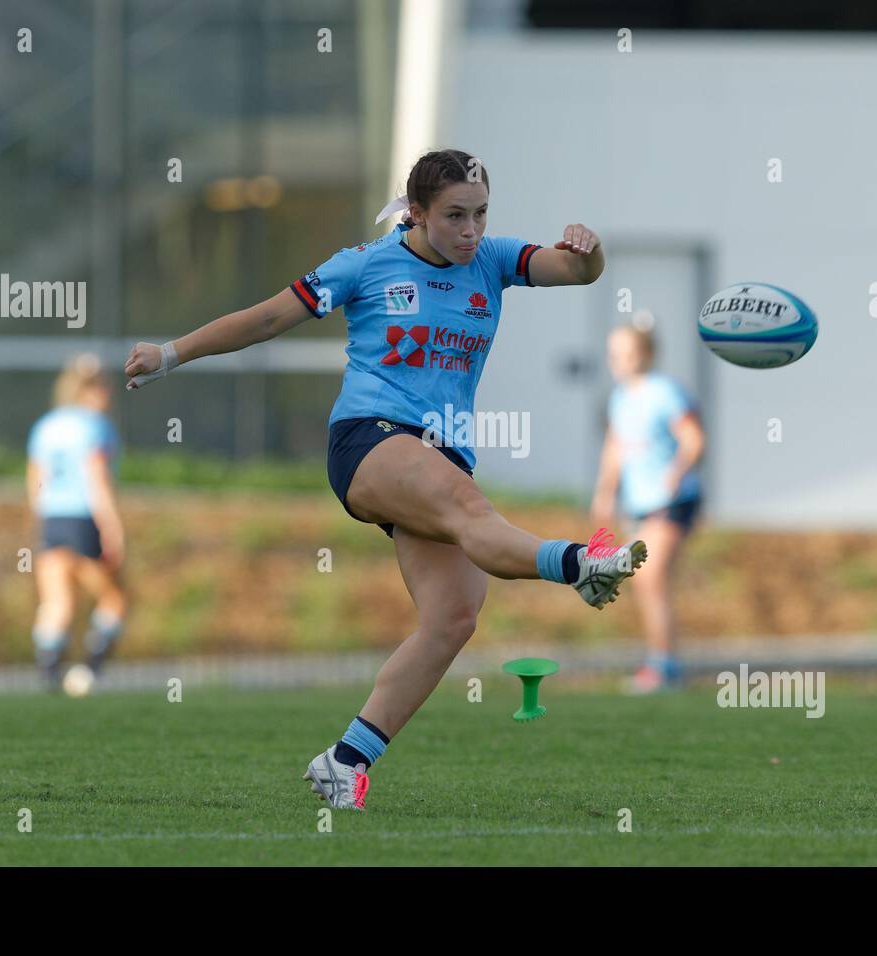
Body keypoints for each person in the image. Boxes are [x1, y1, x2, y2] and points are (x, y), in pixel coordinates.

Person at [124, 148, 646, 810]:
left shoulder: (492, 260)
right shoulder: (366, 264)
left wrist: (589, 249)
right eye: (455, 216)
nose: (471, 231)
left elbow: (576, 271)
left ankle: (347, 760)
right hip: (371, 439)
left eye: (481, 215)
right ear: (419, 213)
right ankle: (581, 564)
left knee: (453, 618)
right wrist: (172, 353)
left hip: (441, 455)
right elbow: (264, 319)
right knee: (467, 508)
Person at [591, 323, 705, 694]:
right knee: (649, 583)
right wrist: (605, 494)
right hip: (639, 503)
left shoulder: (665, 392)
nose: (619, 362)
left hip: (673, 501)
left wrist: (677, 471)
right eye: (614, 354)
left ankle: (663, 666)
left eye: (627, 353)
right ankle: (665, 661)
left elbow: (694, 440)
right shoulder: (620, 398)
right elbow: (615, 448)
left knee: (649, 577)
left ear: (648, 354)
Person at [26, 354, 127, 692]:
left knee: (58, 602)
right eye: (104, 385)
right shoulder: (96, 426)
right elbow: (97, 480)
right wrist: (112, 528)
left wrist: (45, 521)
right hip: (86, 519)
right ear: (92, 389)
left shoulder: (46, 426)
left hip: (53, 519)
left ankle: (49, 674)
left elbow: (35, 484)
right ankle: (89, 670)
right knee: (114, 600)